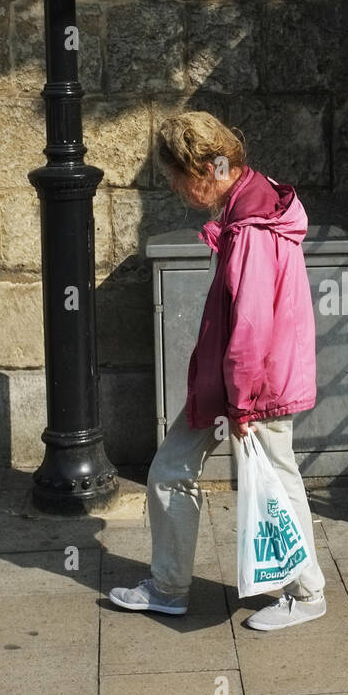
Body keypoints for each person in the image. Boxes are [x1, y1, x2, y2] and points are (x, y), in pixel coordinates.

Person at [109, 110, 326, 631]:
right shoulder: (252, 199)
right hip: (228, 383)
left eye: (175, 177)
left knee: (275, 476)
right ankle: (168, 588)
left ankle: (308, 592)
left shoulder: (252, 229)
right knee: (171, 470)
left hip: (256, 385)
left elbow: (250, 328)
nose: (174, 188)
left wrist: (244, 402)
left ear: (206, 169)